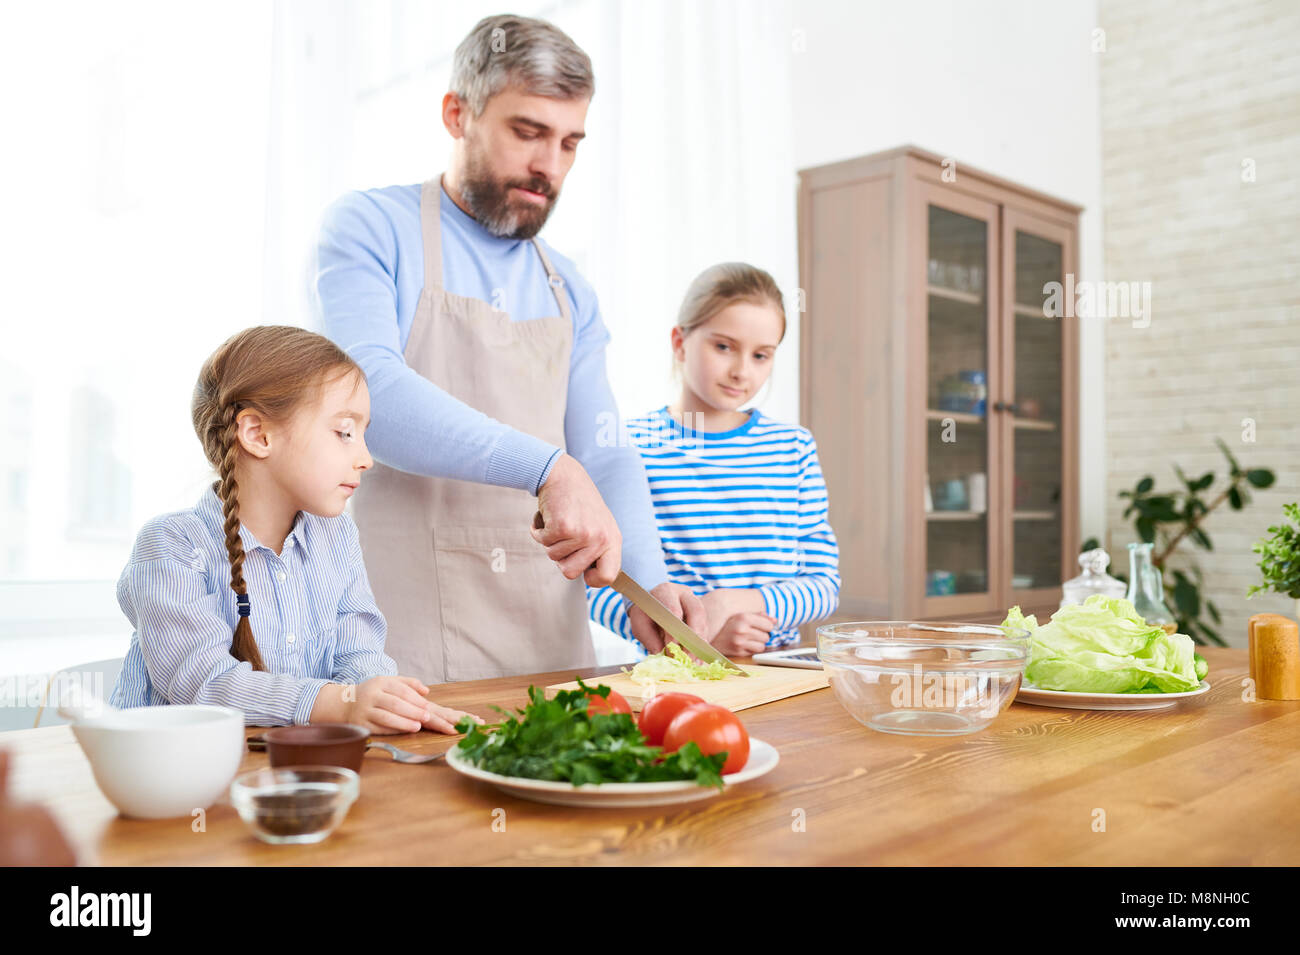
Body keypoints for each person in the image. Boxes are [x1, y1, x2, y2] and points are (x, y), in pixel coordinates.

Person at [312, 14, 705, 683]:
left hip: (546, 637)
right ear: (457, 113)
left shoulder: (568, 288)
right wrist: (551, 469)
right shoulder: (372, 228)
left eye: (569, 143)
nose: (549, 165)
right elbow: (368, 392)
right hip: (404, 641)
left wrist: (650, 578)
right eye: (528, 132)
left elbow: (603, 448)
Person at [109, 326, 480, 733]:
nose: (366, 458)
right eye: (345, 433)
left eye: (363, 435)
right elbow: (203, 685)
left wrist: (384, 699)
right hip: (170, 779)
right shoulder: (171, 547)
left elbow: (358, 650)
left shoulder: (336, 536)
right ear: (258, 435)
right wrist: (338, 703)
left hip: (287, 766)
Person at [588, 263, 841, 657]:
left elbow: (824, 585)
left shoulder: (793, 448)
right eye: (723, 347)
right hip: (674, 675)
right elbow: (598, 583)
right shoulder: (630, 445)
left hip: (780, 672)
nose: (742, 371)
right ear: (680, 342)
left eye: (761, 355)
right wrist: (688, 638)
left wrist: (731, 603)